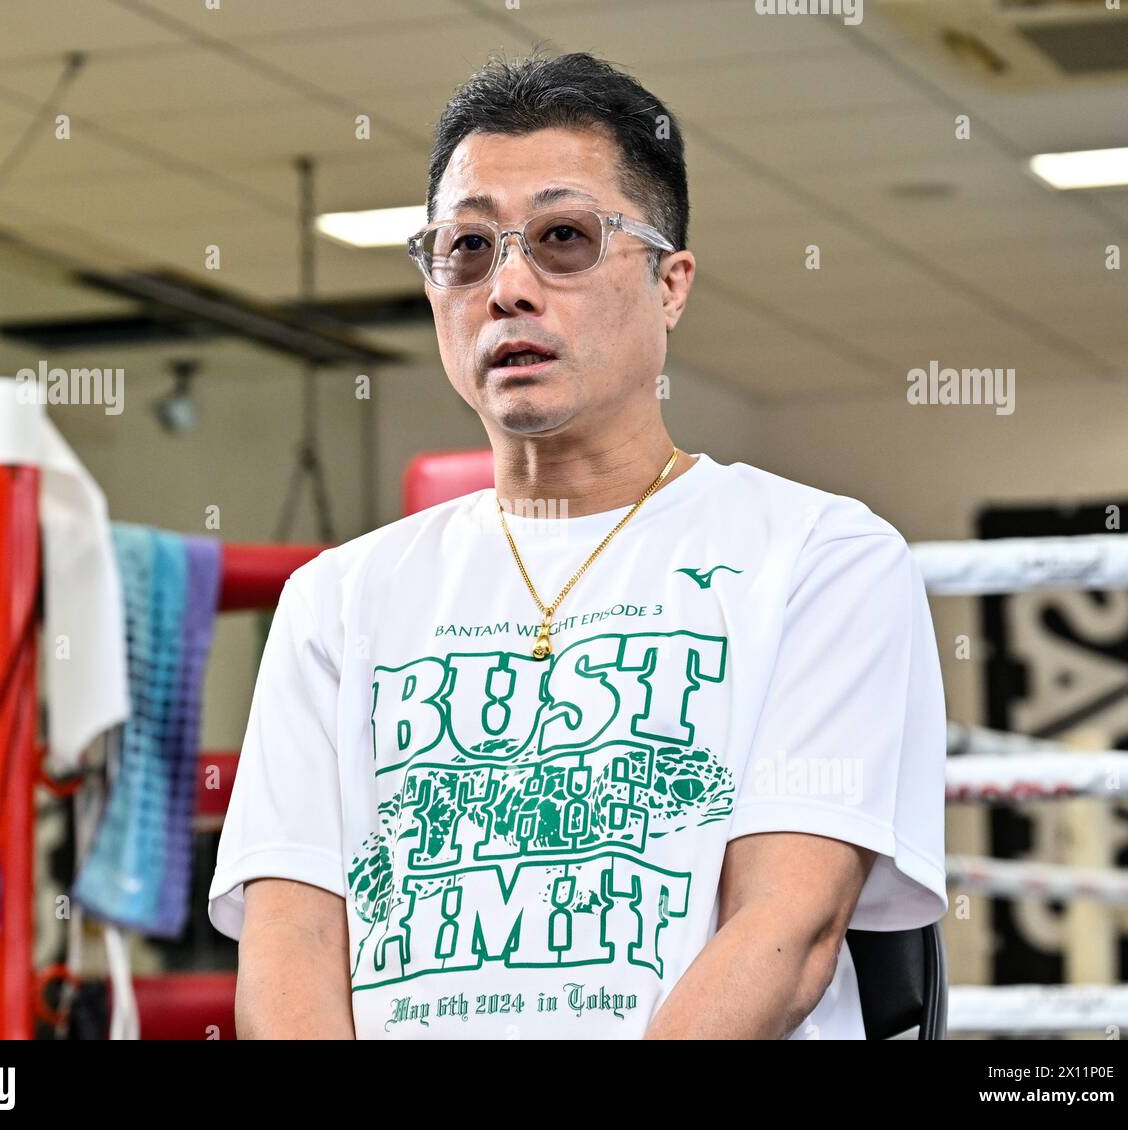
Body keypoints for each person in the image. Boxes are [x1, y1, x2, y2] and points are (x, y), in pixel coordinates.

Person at [208, 49, 947, 1039]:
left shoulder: (819, 554)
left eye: (562, 237)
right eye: (466, 247)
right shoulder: (339, 597)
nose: (507, 284)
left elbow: (789, 926)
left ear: (670, 283)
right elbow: (290, 948)